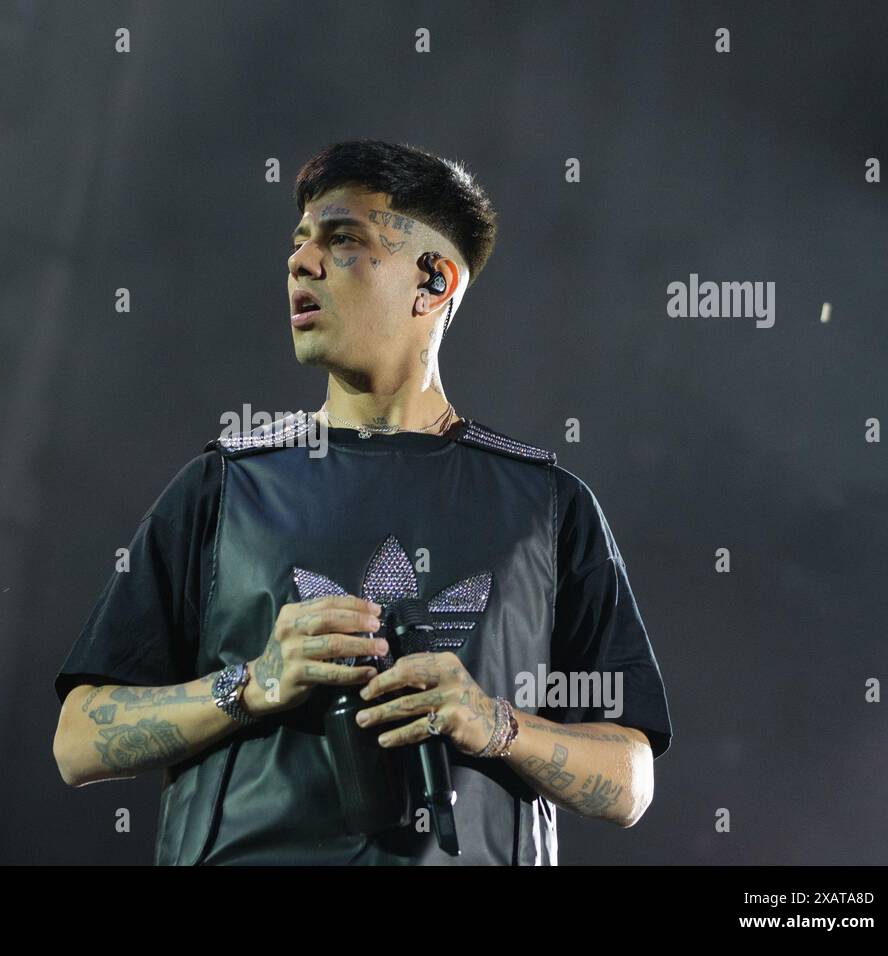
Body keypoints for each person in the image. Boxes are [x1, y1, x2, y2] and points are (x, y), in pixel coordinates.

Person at [52, 139, 672, 865]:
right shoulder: (223, 487)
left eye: (341, 238)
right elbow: (78, 741)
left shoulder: (550, 509)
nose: (300, 262)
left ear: (433, 280)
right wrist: (249, 685)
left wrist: (496, 723)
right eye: (299, 241)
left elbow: (630, 781)